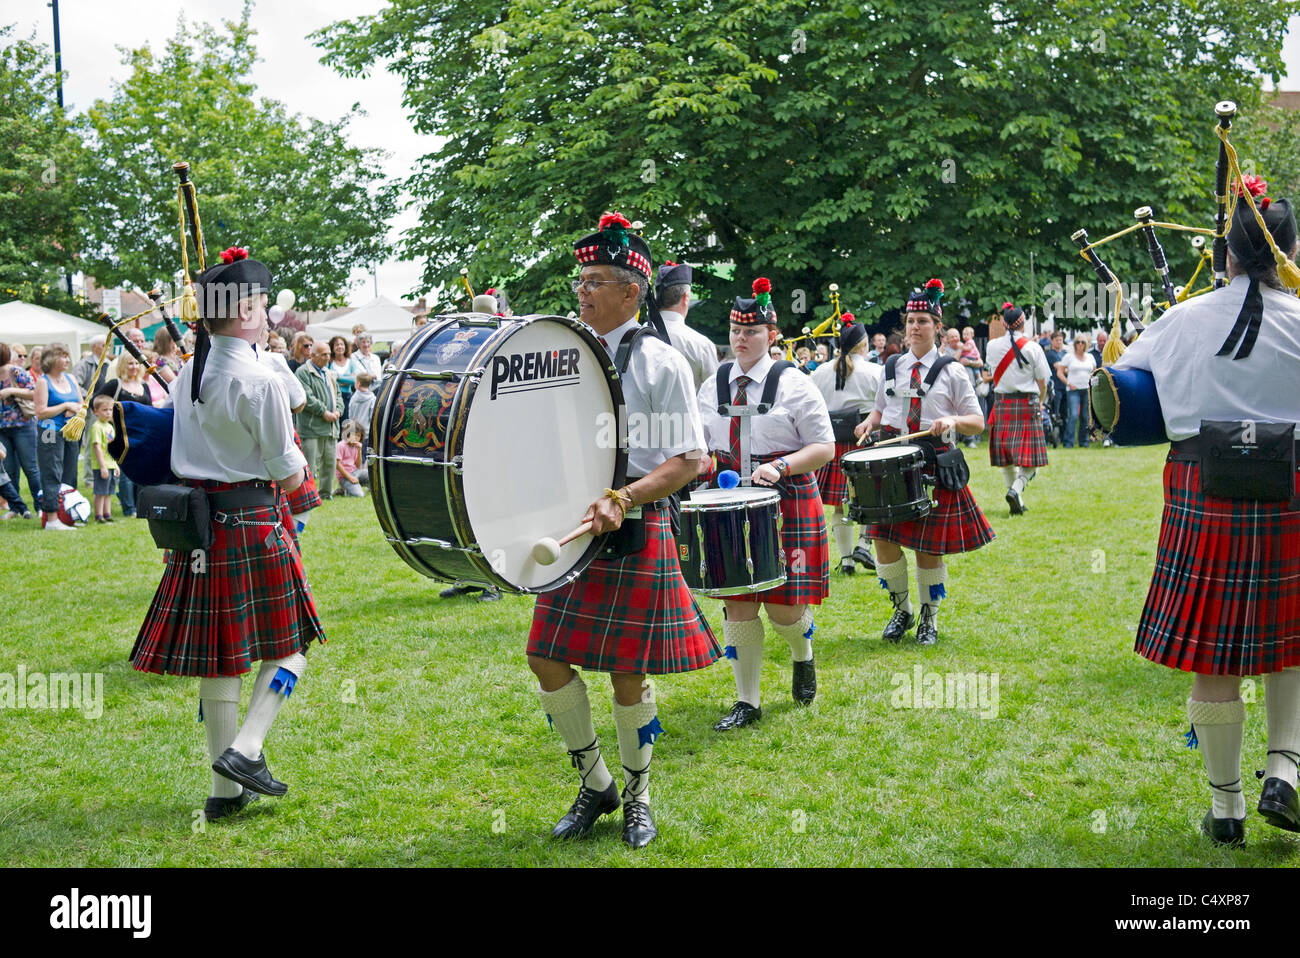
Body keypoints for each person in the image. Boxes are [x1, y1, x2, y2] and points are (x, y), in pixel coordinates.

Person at [1111, 190, 1300, 848]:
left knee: (1214, 659)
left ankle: (1227, 810)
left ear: (1225, 254)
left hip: (1202, 486)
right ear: (1290, 251)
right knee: (1294, 640)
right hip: (1292, 486)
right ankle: (1286, 769)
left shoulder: (1181, 320)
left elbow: (1120, 393)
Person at [526, 212, 720, 849]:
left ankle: (638, 798)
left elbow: (690, 460)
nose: (581, 291)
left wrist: (625, 496)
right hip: (574, 526)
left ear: (631, 291)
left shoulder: (662, 364)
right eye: (580, 279)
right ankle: (595, 781)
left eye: (595, 281)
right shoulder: (564, 355)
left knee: (626, 673)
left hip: (634, 525)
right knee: (544, 656)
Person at [130, 247, 325, 822]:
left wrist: (273, 360)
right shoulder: (253, 383)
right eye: (262, 305)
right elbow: (288, 468)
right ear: (243, 310)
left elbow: (293, 395)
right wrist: (303, 499)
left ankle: (224, 794)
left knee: (222, 660)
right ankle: (247, 747)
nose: (269, 314)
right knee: (292, 646)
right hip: (252, 524)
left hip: (199, 527)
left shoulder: (195, 368)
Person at [697, 276, 834, 730]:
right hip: (729, 504)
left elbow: (824, 447)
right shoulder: (713, 383)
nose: (741, 339)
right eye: (736, 331)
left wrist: (782, 466)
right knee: (737, 602)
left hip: (786, 499)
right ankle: (747, 701)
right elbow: (698, 441)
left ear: (772, 335)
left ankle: (802, 652)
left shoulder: (795, 384)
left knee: (784, 610)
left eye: (751, 331)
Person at [853, 279, 993, 645]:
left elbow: (978, 421)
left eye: (923, 321)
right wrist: (870, 421)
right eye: (911, 321)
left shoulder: (953, 370)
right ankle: (902, 609)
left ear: (937, 327)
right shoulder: (892, 366)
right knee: (883, 544)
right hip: (890, 463)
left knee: (928, 550)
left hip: (933, 464)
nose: (915, 327)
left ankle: (930, 618)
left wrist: (953, 422)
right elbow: (883, 409)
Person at [810, 314, 882, 575]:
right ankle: (863, 543)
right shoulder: (875, 371)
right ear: (864, 345)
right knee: (870, 500)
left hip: (834, 444)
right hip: (865, 442)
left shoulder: (820, 371)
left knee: (841, 504)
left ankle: (848, 560)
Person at [985, 302, 1050, 514]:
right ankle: (1016, 489)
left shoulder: (991, 346)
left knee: (1007, 456)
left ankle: (1017, 499)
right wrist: (1040, 401)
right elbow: (1042, 383)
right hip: (1026, 404)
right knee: (1030, 460)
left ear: (1004, 323)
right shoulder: (1033, 348)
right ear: (1023, 324)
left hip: (1003, 404)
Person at [33, 342, 82, 531]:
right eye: (63, 355)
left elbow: (80, 403)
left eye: (67, 355)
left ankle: (67, 513)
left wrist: (74, 408)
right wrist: (65, 407)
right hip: (49, 431)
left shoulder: (71, 378)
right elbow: (41, 411)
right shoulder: (43, 381)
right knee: (51, 471)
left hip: (70, 430)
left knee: (70, 471)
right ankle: (51, 518)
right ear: (52, 359)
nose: (67, 359)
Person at [655, 261, 719, 390]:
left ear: (656, 296)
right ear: (686, 298)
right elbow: (714, 394)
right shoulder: (702, 345)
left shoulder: (635, 336)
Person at [295, 342, 343, 500]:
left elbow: (339, 395)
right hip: (311, 428)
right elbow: (307, 398)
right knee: (310, 464)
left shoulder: (329, 373)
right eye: (324, 354)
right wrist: (324, 412)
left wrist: (338, 411)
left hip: (331, 426)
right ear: (313, 355)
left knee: (329, 463)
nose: (328, 357)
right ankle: (307, 495)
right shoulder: (303, 372)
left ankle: (325, 493)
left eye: (329, 354)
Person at [0, 343, 40, 518]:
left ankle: (41, 506)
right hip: (2, 429)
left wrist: (10, 390)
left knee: (30, 468)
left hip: (23, 425)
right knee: (9, 470)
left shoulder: (16, 372)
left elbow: (34, 392)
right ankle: (16, 508)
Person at [1056, 334, 1096, 448]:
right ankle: (1068, 442)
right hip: (1073, 390)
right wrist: (1068, 383)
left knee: (1085, 416)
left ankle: (1084, 442)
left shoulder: (1090, 357)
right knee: (1073, 415)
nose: (1080, 344)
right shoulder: (1069, 357)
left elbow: (1094, 372)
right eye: (1078, 342)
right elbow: (1060, 372)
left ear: (1086, 344)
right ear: (1074, 344)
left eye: (1082, 342)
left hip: (1086, 390)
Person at [87, 393, 119, 522]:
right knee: (100, 491)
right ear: (96, 411)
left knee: (109, 491)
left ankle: (107, 513)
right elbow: (97, 447)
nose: (108, 413)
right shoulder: (96, 427)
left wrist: (116, 464)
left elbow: (113, 448)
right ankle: (98, 515)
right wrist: (102, 466)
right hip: (102, 465)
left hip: (111, 464)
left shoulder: (110, 427)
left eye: (110, 410)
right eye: (104, 410)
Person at [335, 420, 367, 496]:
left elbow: (358, 466)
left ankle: (349, 488)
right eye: (354, 434)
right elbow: (337, 465)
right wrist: (350, 478)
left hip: (356, 472)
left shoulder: (356, 446)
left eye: (358, 436)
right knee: (360, 495)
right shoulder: (341, 445)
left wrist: (359, 450)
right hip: (345, 477)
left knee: (372, 476)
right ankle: (344, 490)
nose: (356, 438)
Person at [328, 335, 355, 419]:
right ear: (332, 348)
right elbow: (328, 379)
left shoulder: (351, 362)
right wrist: (347, 378)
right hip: (333, 398)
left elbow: (354, 380)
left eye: (342, 344)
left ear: (345, 347)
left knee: (347, 426)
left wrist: (337, 377)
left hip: (347, 398)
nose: (339, 346)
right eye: (336, 345)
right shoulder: (329, 362)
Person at [349, 373, 377, 446]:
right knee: (363, 455)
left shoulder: (354, 398)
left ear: (358, 384)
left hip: (354, 431)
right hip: (366, 433)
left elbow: (350, 415)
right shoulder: (373, 399)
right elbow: (372, 416)